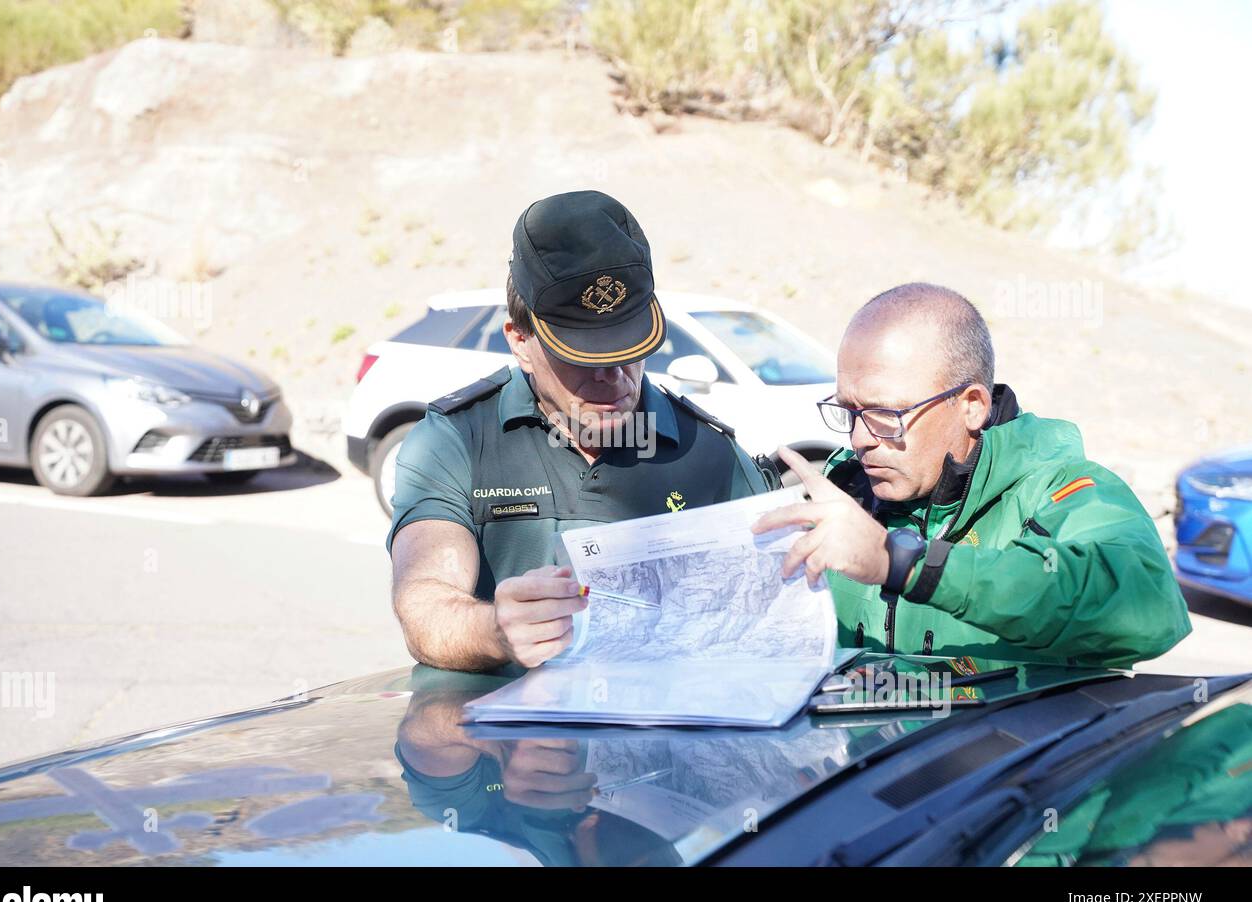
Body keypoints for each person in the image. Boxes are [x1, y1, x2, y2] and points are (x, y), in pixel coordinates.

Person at [388, 190, 773, 672]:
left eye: (628, 346)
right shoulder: (456, 441)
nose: (611, 375)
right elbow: (424, 604)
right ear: (521, 342)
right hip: (504, 740)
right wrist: (494, 632)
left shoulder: (711, 452)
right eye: (582, 354)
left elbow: (769, 612)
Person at [752, 282, 1191, 668]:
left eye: (886, 413)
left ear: (971, 406)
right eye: (849, 411)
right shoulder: (843, 496)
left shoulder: (1059, 490)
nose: (861, 438)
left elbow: (1149, 605)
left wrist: (903, 563)